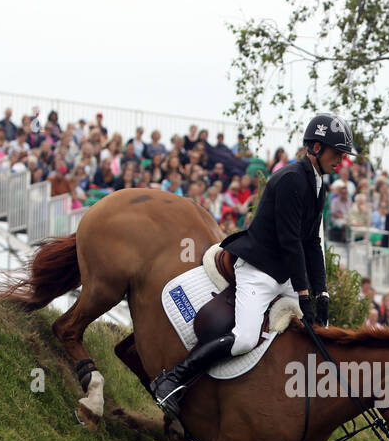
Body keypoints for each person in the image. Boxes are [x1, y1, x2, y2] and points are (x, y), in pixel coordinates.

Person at [150, 113, 356, 416]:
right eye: (337, 152)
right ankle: (172, 379)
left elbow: (312, 242)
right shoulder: (290, 180)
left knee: (315, 333)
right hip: (259, 270)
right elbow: (290, 243)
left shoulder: (317, 185)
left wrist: (321, 293)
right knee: (245, 338)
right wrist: (302, 294)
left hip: (284, 274)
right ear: (314, 147)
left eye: (342, 154)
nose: (341, 160)